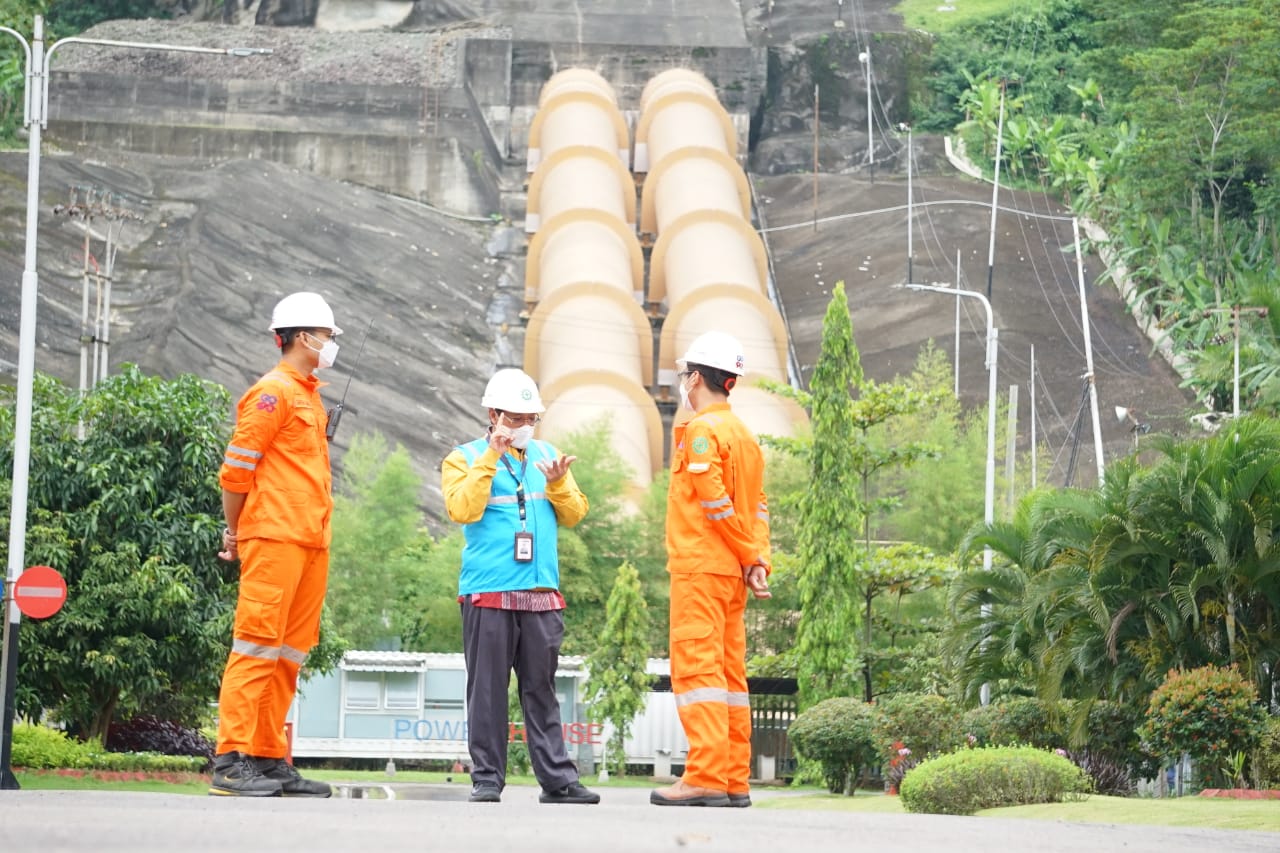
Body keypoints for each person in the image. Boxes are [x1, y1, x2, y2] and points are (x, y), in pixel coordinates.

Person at [441, 368, 601, 805]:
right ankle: (487, 778)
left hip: (541, 593)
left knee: (542, 689)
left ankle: (558, 781)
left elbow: (574, 514)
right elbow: (462, 509)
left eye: (532, 417)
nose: (525, 425)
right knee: (487, 691)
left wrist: (558, 484)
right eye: (516, 417)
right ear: (493, 415)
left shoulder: (548, 455)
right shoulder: (463, 457)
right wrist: (490, 458)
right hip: (489, 592)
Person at [209, 291, 343, 798]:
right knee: (255, 645)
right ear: (302, 337)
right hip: (276, 535)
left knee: (288, 652)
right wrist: (237, 531)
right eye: (327, 336)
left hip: (310, 539)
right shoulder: (272, 393)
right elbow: (237, 471)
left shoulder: (308, 394)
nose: (331, 344)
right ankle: (229, 760)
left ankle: (267, 758)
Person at [651, 331, 772, 808]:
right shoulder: (744, 435)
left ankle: (703, 777)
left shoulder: (703, 431)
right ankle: (733, 780)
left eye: (685, 375)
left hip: (701, 569)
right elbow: (758, 507)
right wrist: (757, 559)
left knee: (698, 672)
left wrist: (748, 555)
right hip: (731, 577)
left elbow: (716, 504)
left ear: (696, 377)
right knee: (729, 679)